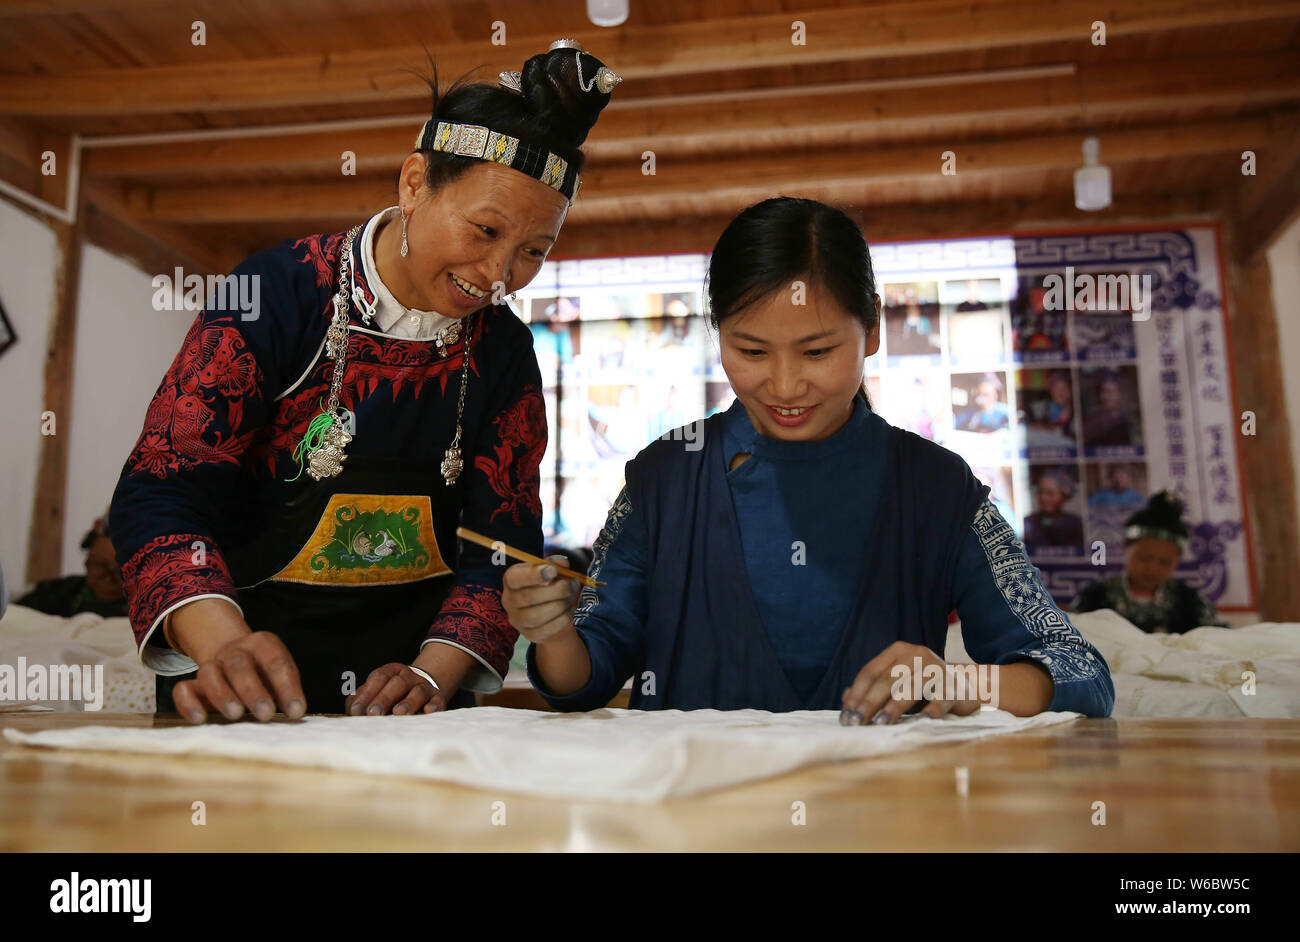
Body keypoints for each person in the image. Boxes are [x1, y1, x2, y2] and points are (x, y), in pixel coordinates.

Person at [109, 40, 620, 723]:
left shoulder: (504, 353)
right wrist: (222, 645)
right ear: (414, 183)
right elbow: (166, 487)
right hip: (240, 684)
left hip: (416, 704)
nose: (501, 272)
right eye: (486, 229)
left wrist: (433, 675)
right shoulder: (277, 292)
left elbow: (502, 544)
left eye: (534, 251)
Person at [502, 197, 1113, 721]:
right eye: (752, 350)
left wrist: (956, 682)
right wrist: (553, 632)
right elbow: (584, 677)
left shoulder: (936, 486)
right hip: (694, 818)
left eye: (817, 351)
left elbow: (1080, 672)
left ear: (871, 330)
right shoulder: (666, 475)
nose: (786, 386)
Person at [1071, 491, 1225, 634]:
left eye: (1164, 562)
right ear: (1125, 547)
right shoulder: (1095, 596)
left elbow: (1219, 638)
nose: (1152, 568)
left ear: (1177, 561)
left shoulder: (1188, 601)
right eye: (1144, 558)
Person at [15, 514, 127, 618]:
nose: (108, 577)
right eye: (99, 565)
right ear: (87, 562)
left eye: (119, 570)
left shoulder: (140, 607)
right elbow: (15, 615)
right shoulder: (59, 592)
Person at [1023, 469, 1084, 553]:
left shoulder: (1074, 524)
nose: (1043, 498)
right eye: (1040, 492)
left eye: (1050, 493)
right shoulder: (1028, 522)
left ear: (1064, 496)